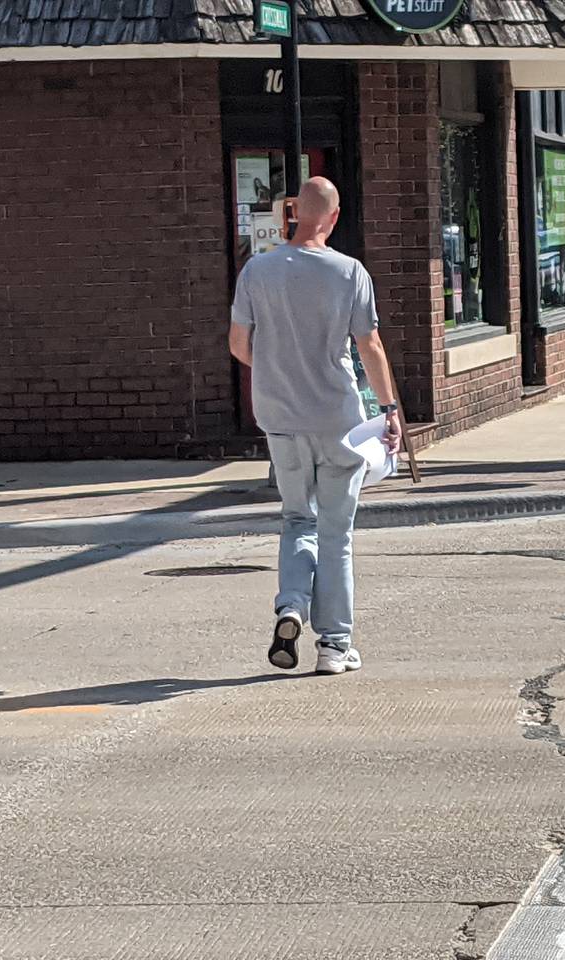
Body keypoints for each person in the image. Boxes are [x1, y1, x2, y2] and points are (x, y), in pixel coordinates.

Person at [229, 177, 404, 676]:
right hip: (338, 420)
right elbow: (369, 346)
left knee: (296, 520)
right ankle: (334, 645)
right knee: (335, 533)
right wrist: (389, 410)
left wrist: (275, 368)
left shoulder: (256, 271)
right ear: (334, 215)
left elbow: (239, 344)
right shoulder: (350, 272)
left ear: (293, 214)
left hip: (279, 418)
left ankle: (290, 606)